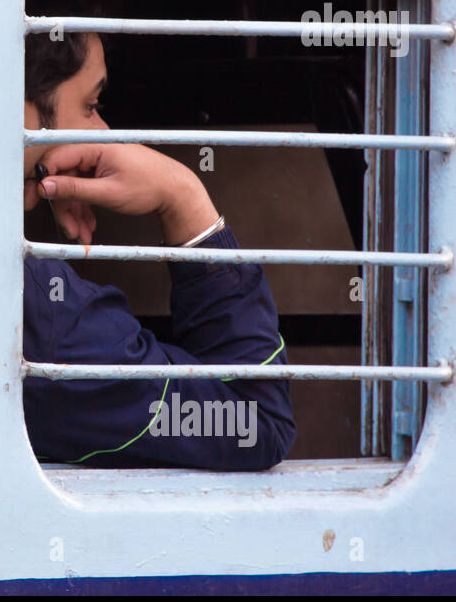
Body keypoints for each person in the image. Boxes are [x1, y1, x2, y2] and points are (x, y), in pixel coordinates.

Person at [22, 28, 295, 470]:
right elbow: (255, 420)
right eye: (91, 106)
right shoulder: (46, 321)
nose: (106, 133)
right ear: (24, 117)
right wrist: (183, 196)